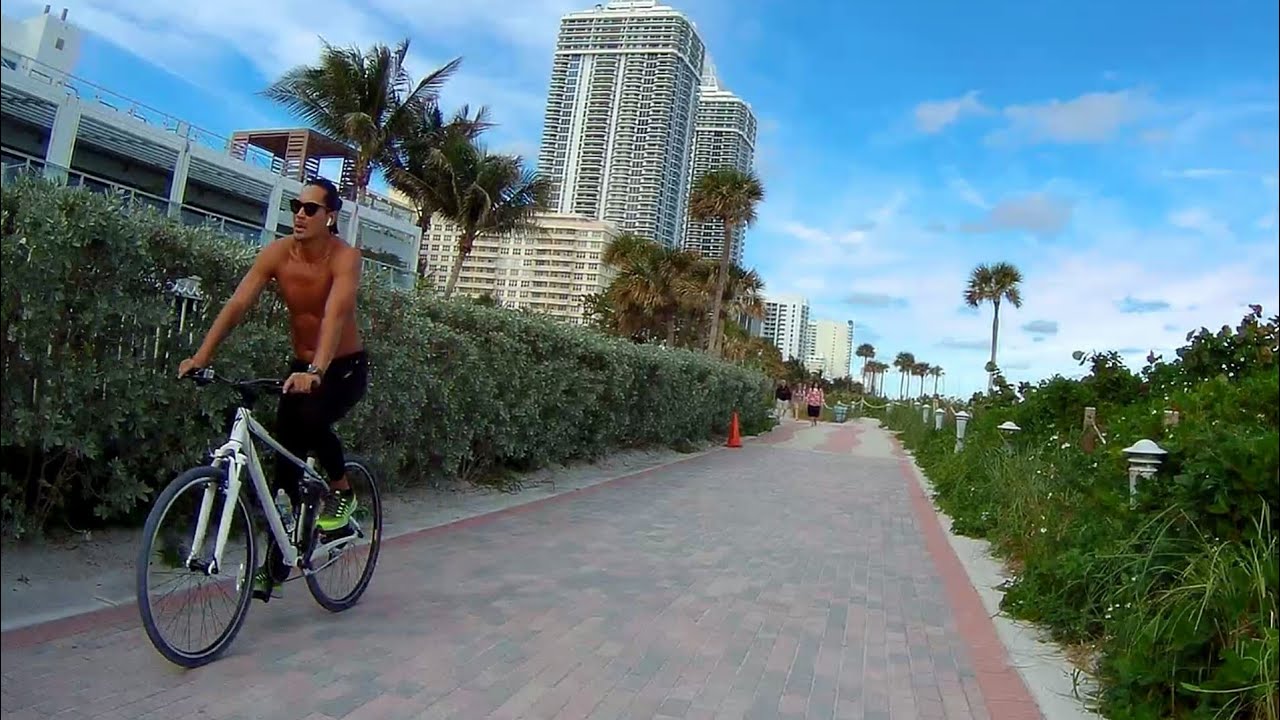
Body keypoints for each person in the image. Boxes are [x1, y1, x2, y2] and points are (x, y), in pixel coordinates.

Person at [178, 177, 368, 600]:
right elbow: (238, 303)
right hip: (301, 367)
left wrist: (317, 370)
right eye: (295, 206)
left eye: (310, 208)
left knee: (312, 417)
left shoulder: (345, 258)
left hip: (343, 368)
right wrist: (201, 357)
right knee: (285, 468)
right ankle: (275, 567)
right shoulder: (278, 254)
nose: (300, 214)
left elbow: (336, 314)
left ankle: (342, 492)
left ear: (330, 216)